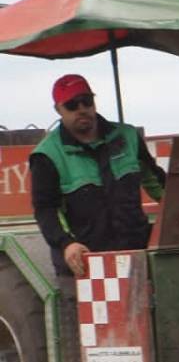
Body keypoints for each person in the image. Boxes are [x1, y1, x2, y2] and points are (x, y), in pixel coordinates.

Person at [28, 75, 167, 277]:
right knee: (90, 310)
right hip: (84, 262)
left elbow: (156, 183)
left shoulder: (127, 136)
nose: (82, 109)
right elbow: (45, 209)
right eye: (72, 105)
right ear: (58, 110)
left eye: (87, 101)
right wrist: (66, 243)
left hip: (136, 254)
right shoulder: (46, 155)